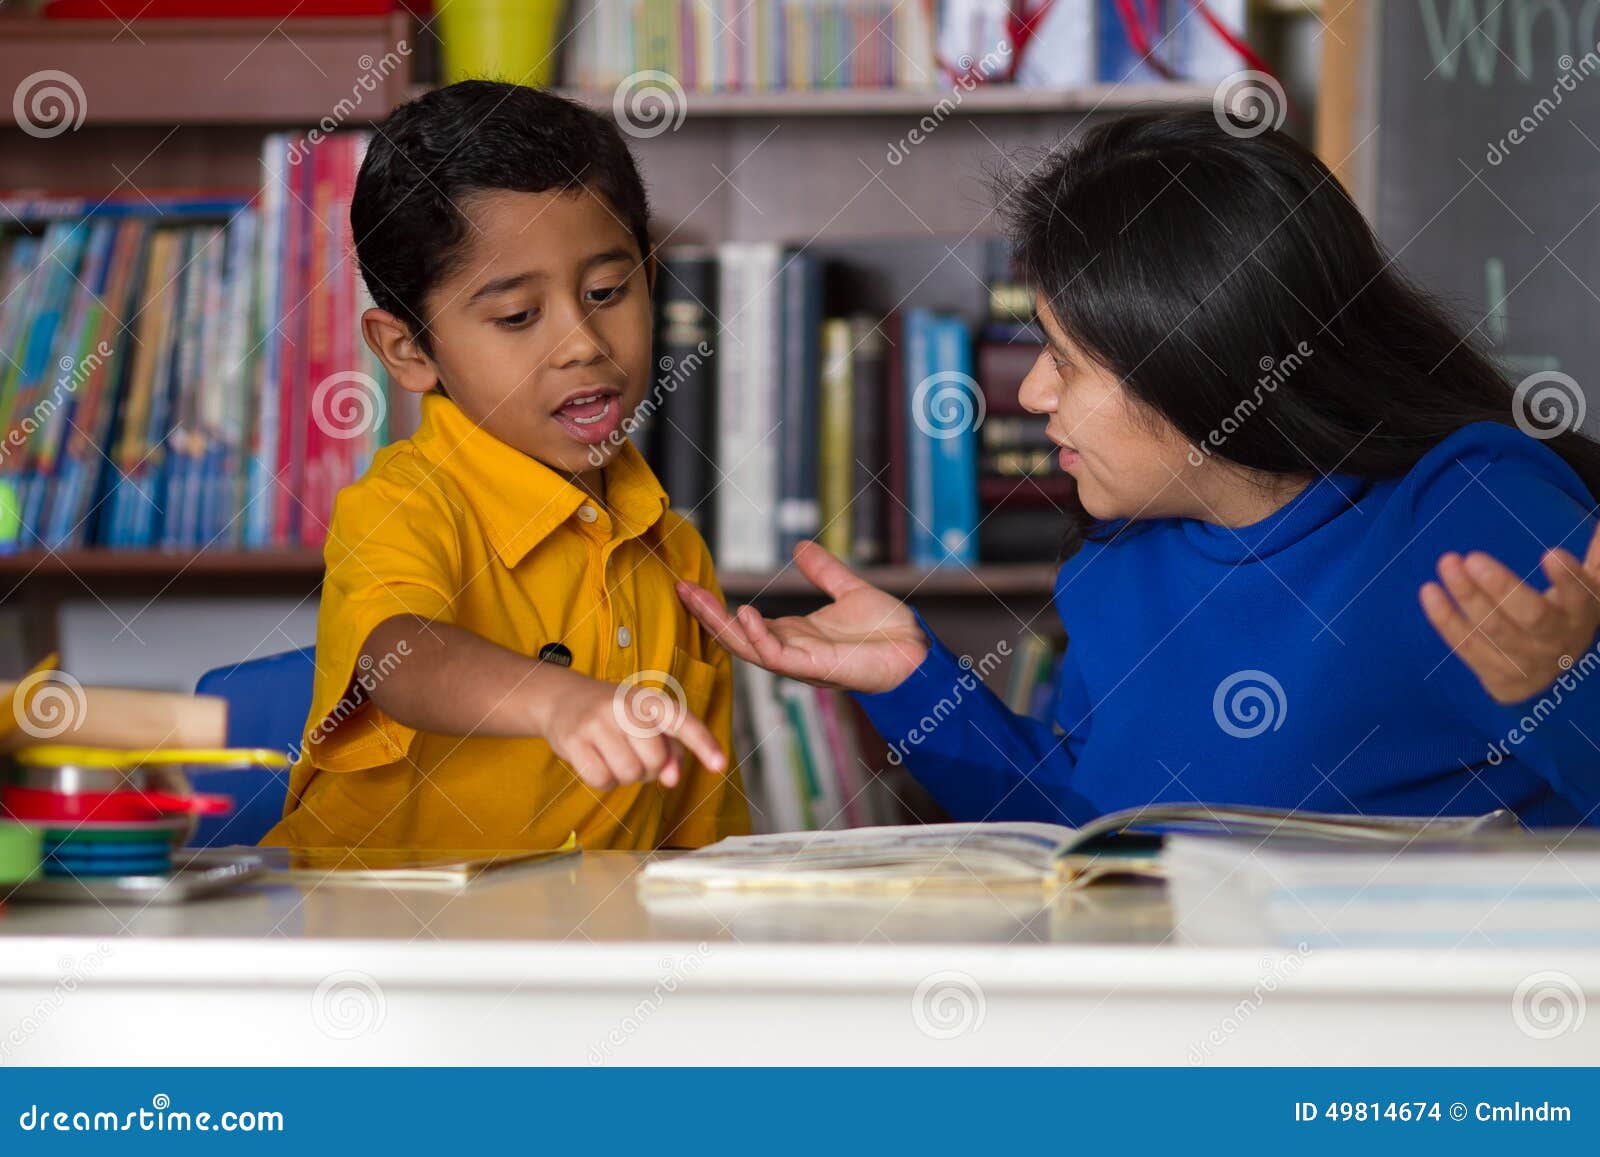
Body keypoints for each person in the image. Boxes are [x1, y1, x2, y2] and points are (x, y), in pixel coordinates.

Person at [678, 110, 1600, 828]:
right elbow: (1097, 844)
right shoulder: (1119, 559)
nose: (1033, 391)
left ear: (1198, 361)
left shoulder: (1473, 507)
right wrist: (915, 683)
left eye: (1066, 359)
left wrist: (1569, 685)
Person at [264, 82, 748, 850]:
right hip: (371, 946)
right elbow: (398, 654)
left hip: (582, 956)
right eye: (519, 315)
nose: (582, 342)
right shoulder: (405, 502)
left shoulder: (674, 553)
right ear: (408, 349)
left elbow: (698, 845)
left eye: (607, 290)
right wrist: (554, 700)